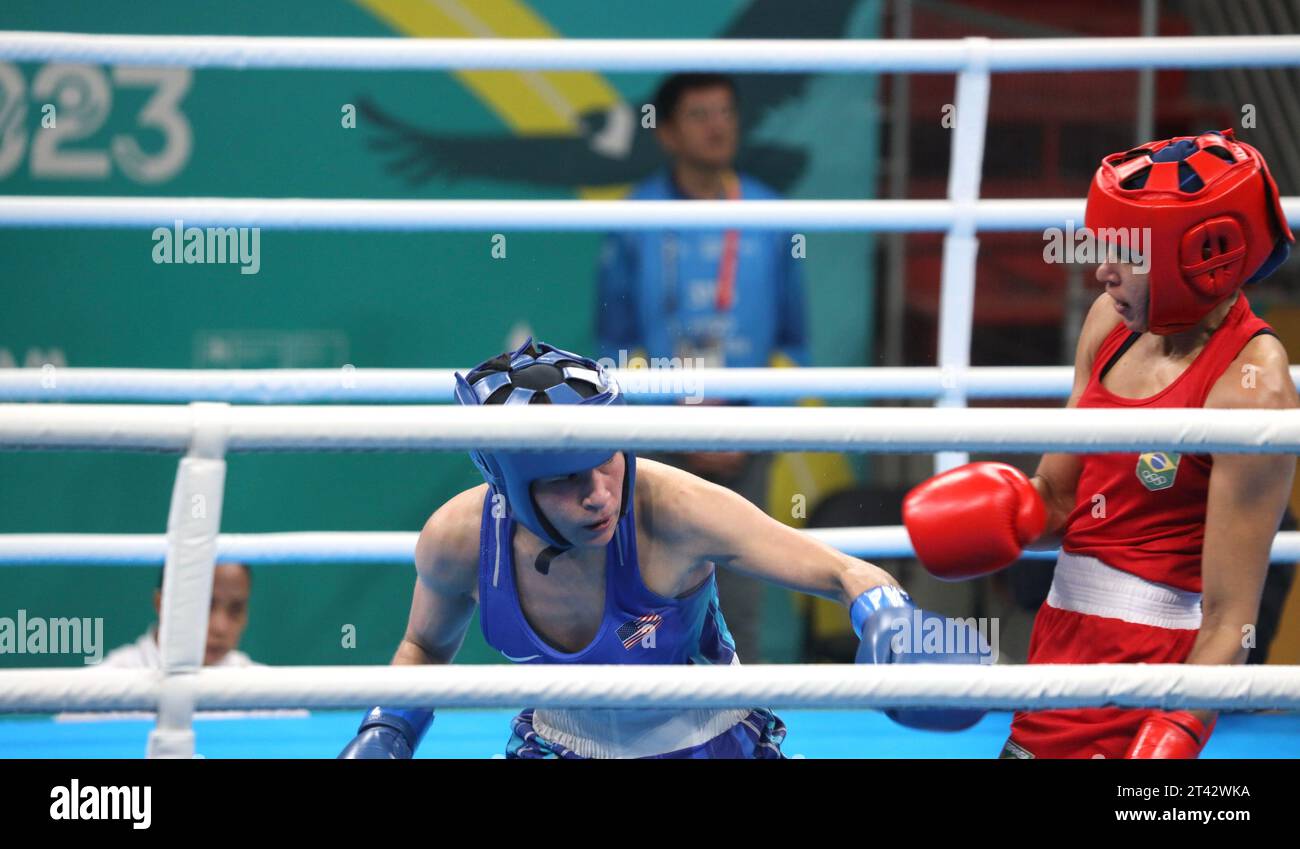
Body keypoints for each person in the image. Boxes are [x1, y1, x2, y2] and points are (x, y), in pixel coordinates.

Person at [340, 338, 987, 759]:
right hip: (556, 745)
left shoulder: (672, 510)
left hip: (709, 743)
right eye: (567, 479)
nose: (599, 494)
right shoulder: (458, 540)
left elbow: (844, 570)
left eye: (608, 463)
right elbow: (425, 645)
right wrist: (388, 728)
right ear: (506, 483)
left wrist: (887, 617)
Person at [902, 129, 1296, 758]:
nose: (1101, 271)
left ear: (1200, 256)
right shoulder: (1110, 323)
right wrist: (1011, 512)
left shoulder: (1254, 388)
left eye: (1126, 254)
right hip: (1059, 660)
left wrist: (1179, 729)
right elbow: (1058, 496)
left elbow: (1232, 621)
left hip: (1154, 679)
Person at [595, 72, 810, 662]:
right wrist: (666, 420)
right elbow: (611, 348)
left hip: (747, 438)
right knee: (647, 598)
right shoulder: (634, 217)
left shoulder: (770, 216)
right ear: (665, 132)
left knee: (741, 600)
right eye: (699, 115)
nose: (717, 126)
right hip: (659, 442)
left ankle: (744, 737)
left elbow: (797, 347)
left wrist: (750, 423)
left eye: (725, 113)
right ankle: (637, 739)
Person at [100, 561, 259, 668]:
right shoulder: (104, 686)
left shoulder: (264, 692)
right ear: (162, 605)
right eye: (203, 607)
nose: (221, 627)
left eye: (236, 610)